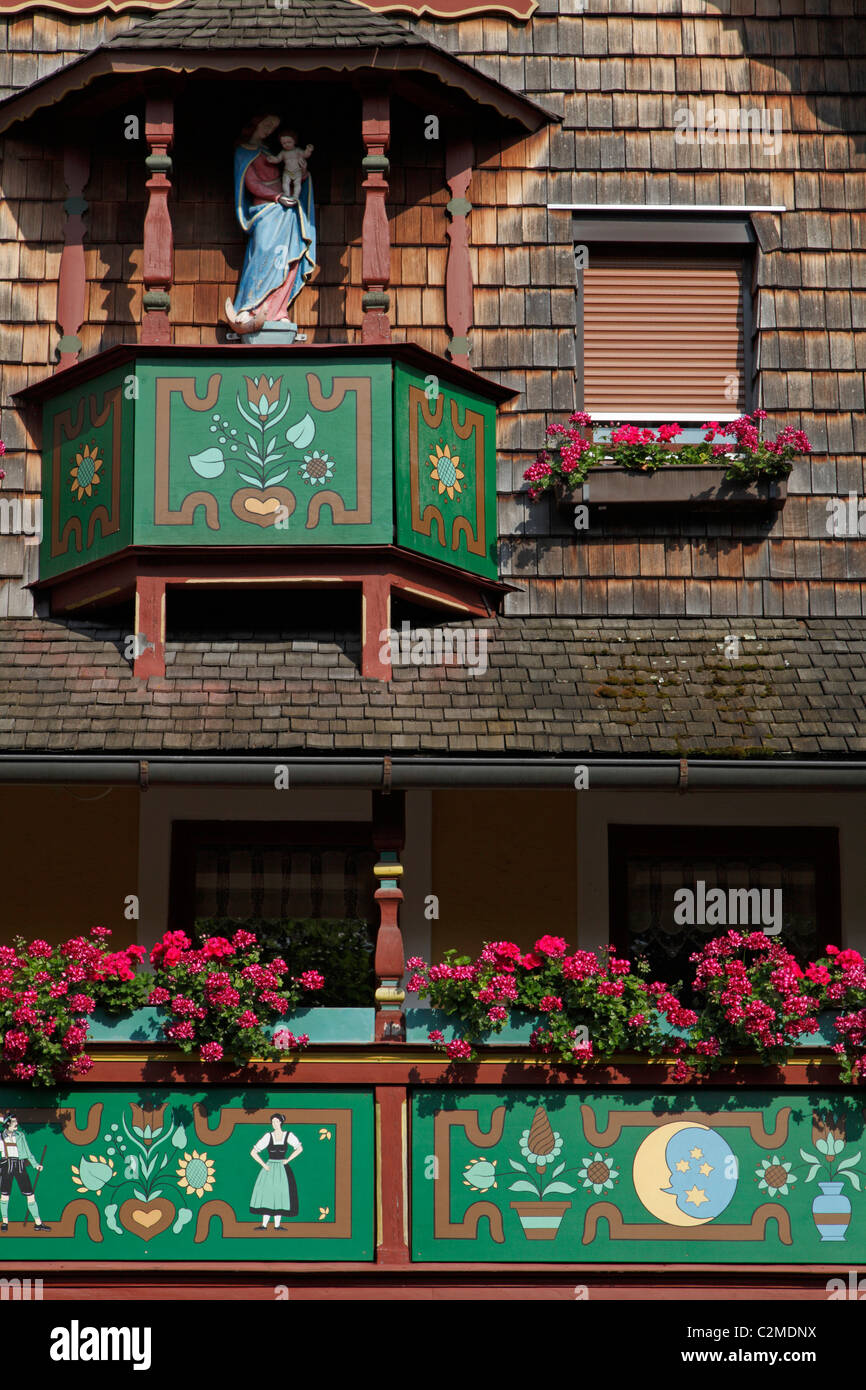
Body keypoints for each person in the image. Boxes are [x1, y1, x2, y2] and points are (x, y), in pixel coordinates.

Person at [225, 114, 317, 336]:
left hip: (288, 211)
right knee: (263, 254)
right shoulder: (244, 152)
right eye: (266, 124)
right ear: (254, 125)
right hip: (265, 212)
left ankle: (278, 310)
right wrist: (276, 197)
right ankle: (250, 307)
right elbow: (251, 183)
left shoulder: (272, 153)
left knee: (288, 257)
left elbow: (291, 176)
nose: (268, 130)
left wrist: (302, 171)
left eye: (273, 127)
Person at [249, 1114, 303, 1230]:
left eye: (276, 1121)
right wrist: (264, 1165)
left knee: (280, 1196)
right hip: (269, 1169)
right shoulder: (268, 1136)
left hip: (283, 1170)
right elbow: (253, 1152)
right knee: (267, 1195)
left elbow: (299, 1149)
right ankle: (264, 1225)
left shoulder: (288, 1135)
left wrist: (288, 1160)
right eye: (272, 1122)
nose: (274, 1124)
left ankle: (277, 1225)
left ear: (281, 1122)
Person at [0, 1113, 50, 1231]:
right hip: (6, 1165)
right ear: (7, 1124)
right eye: (13, 1122)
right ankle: (5, 1222)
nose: (16, 1123)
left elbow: (27, 1151)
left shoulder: (20, 1135)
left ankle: (38, 1223)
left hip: (20, 1165)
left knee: (30, 1195)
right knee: (4, 1195)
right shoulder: (1, 1136)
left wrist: (35, 1165)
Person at [266, 129, 314, 204]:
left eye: (289, 142)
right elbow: (278, 159)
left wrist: (308, 150)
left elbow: (305, 155)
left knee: (297, 184)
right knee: (285, 183)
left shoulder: (297, 150)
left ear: (295, 141)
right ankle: (287, 194)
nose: (286, 144)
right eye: (284, 143)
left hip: (297, 171)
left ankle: (295, 196)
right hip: (287, 171)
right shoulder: (283, 152)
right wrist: (272, 159)